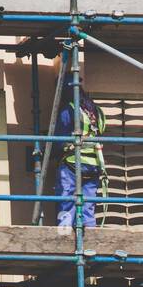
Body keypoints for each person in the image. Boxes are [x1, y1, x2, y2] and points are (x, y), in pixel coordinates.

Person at [57, 82, 107, 229]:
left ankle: (64, 236)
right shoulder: (98, 112)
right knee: (88, 206)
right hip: (95, 164)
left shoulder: (69, 109)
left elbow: (60, 139)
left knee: (66, 202)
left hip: (73, 163)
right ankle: (90, 241)